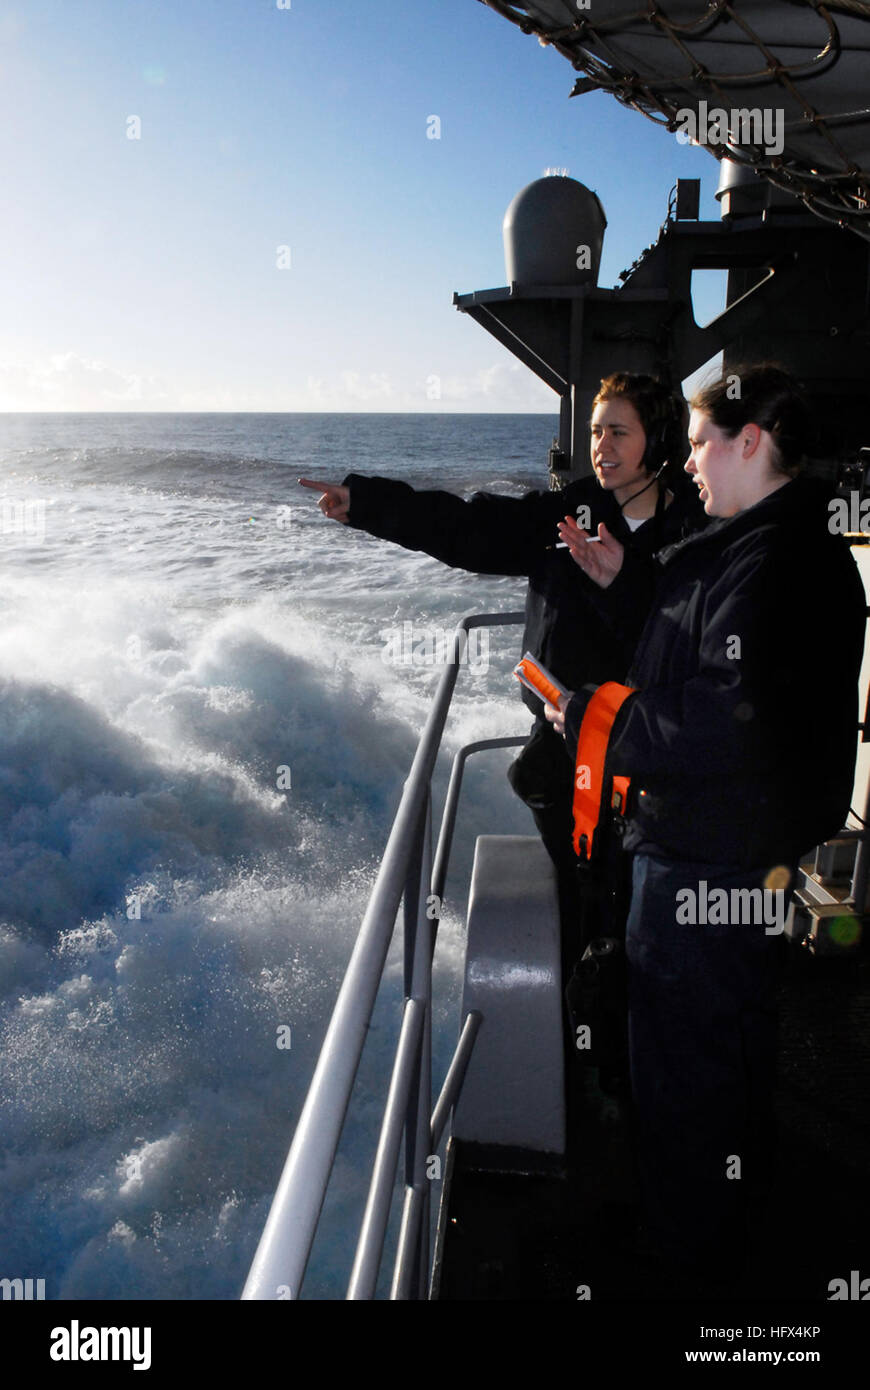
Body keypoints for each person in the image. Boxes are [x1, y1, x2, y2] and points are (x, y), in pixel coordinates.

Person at [547, 363, 866, 1287]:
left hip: (702, 866)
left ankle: (689, 1268)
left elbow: (725, 719)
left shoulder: (776, 562)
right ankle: (723, 1229)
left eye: (696, 443)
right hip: (730, 859)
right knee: (726, 1060)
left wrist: (593, 723)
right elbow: (705, 652)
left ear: (752, 441)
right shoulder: (764, 545)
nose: (687, 463)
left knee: (684, 1081)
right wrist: (619, 586)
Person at [299, 374, 704, 976]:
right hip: (568, 745)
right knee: (583, 894)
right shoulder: (569, 514)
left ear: (661, 439)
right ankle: (582, 1007)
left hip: (654, 747)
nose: (602, 447)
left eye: (619, 431)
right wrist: (369, 504)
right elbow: (470, 530)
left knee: (643, 899)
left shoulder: (695, 530)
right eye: (595, 432)